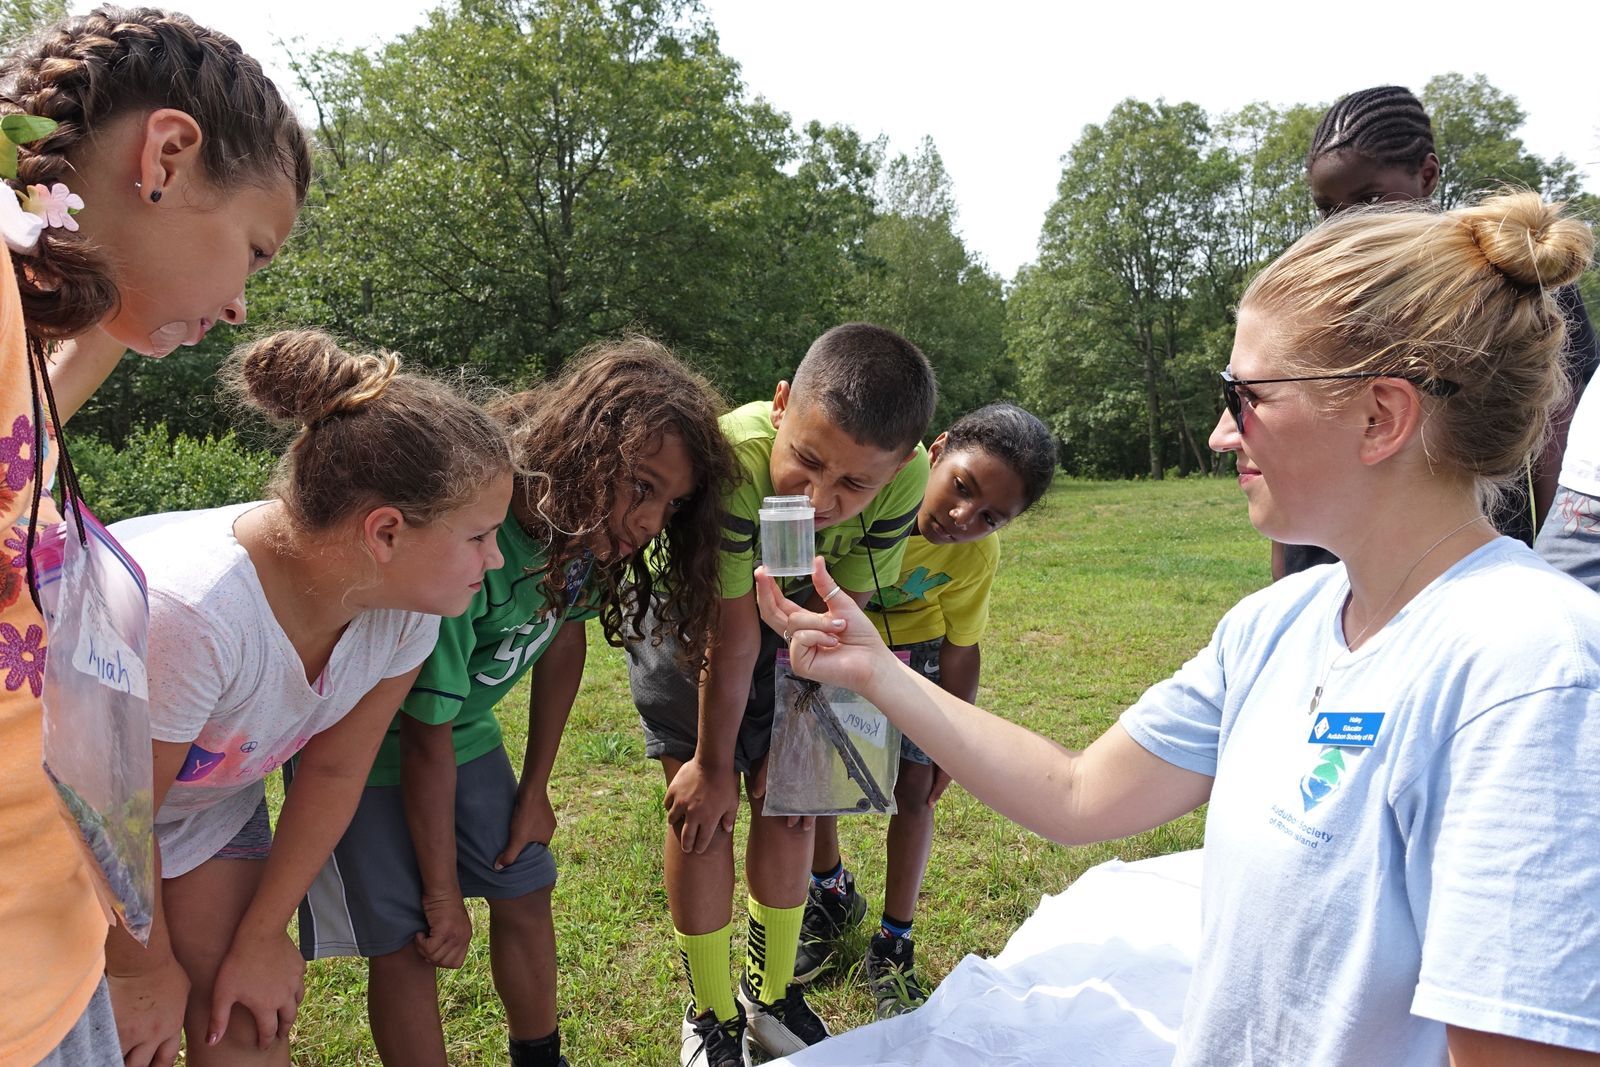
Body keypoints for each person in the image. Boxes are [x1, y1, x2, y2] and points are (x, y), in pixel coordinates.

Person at [760, 192, 1600, 1065]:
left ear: (1380, 416)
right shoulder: (1278, 626)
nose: (1219, 433)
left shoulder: (1533, 672)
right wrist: (873, 667)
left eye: (1246, 394)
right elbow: (1079, 794)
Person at [0, 9, 310, 1066]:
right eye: (253, 253)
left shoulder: (21, 332)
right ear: (168, 154)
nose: (237, 309)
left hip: (46, 948)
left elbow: (42, 408)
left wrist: (136, 302)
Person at [298, 337, 736, 1067]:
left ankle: (541, 1058)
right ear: (586, 448)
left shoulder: (580, 540)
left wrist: (535, 789)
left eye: (672, 501)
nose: (651, 520)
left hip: (460, 733)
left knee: (525, 884)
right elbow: (421, 735)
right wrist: (442, 892)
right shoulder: (472, 536)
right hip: (362, 752)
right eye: (641, 484)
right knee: (412, 940)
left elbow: (561, 643)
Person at [106, 329, 513, 1067]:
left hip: (196, 811)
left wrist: (262, 935)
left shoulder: (408, 614)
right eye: (481, 535)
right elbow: (108, 821)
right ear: (385, 531)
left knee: (248, 1024)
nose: (496, 558)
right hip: (63, 823)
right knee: (122, 1038)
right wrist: (138, 967)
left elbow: (332, 773)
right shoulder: (195, 615)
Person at [628, 322, 935, 1065]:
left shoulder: (910, 475)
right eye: (805, 460)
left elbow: (843, 614)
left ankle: (770, 994)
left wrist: (805, 735)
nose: (821, 497)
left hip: (802, 633)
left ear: (895, 471)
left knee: (795, 808)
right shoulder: (738, 460)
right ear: (781, 405)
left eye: (855, 485)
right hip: (695, 619)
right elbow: (730, 638)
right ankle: (707, 1011)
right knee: (703, 814)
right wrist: (708, 761)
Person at [795, 402, 1056, 1018]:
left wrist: (951, 738)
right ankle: (831, 893)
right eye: (962, 488)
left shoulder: (973, 558)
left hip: (922, 658)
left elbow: (963, 647)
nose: (963, 518)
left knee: (918, 792)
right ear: (934, 452)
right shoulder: (869, 484)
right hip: (838, 644)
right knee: (817, 784)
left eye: (990, 518)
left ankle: (894, 937)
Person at [1275, 84, 1600, 578]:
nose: (1348, 224)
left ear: (1427, 175)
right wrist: (1284, 584)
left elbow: (1554, 443)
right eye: (1327, 208)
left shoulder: (1506, 278)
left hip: (1470, 568)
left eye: (1369, 198)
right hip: (1331, 574)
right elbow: (1284, 440)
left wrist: (1551, 578)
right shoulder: (1314, 294)